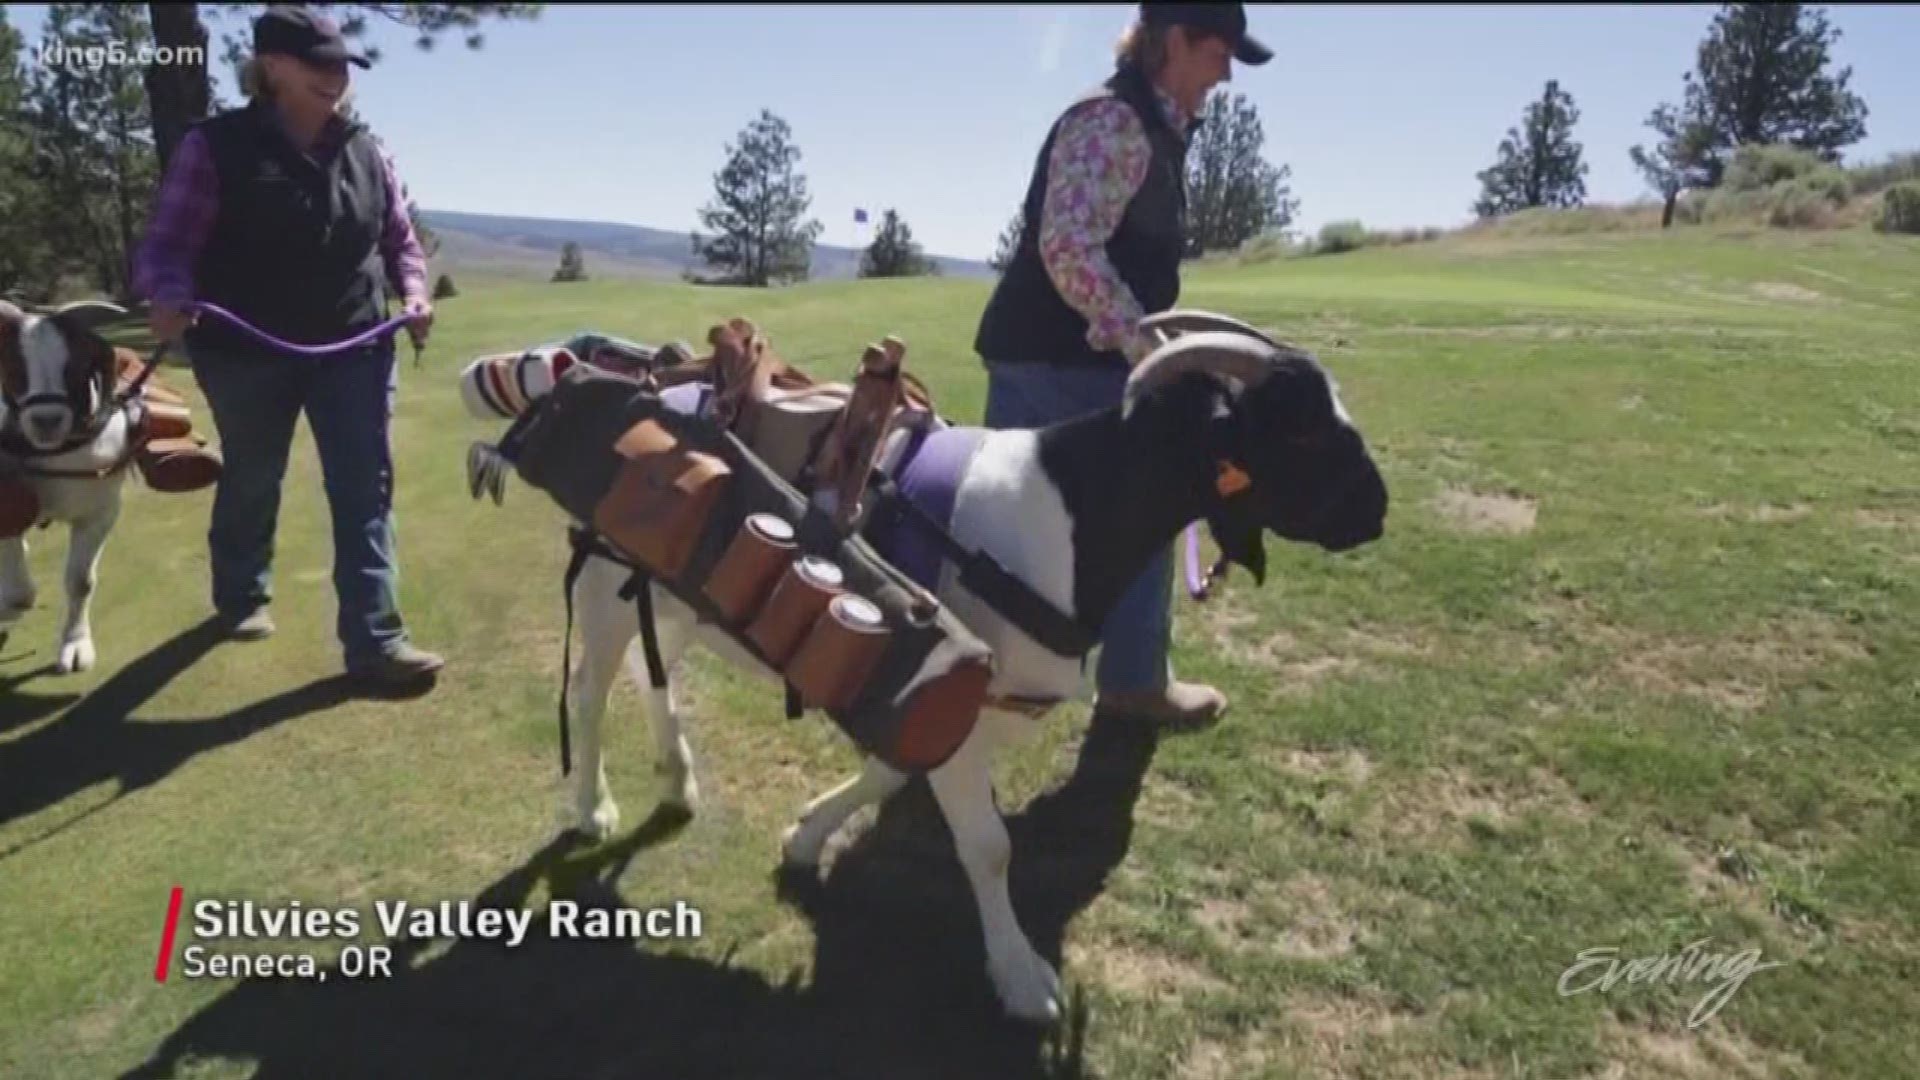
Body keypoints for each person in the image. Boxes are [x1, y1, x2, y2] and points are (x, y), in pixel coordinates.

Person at [972, 2, 1270, 726]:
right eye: (1218, 52)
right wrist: (1152, 350)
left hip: (1066, 358)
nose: (1227, 73)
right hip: (1056, 366)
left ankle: (985, 683)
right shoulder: (1115, 123)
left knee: (1024, 531)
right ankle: (1112, 684)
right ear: (1174, 43)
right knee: (1059, 525)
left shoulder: (1152, 126)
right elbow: (1070, 249)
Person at [133, 5, 443, 688]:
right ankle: (242, 593)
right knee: (253, 473)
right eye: (318, 64)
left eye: (341, 65)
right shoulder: (212, 146)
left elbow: (400, 240)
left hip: (356, 343)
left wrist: (414, 294)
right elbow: (168, 245)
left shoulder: (369, 149)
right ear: (271, 67)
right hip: (247, 349)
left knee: (364, 489)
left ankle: (376, 640)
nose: (335, 77)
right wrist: (165, 293)